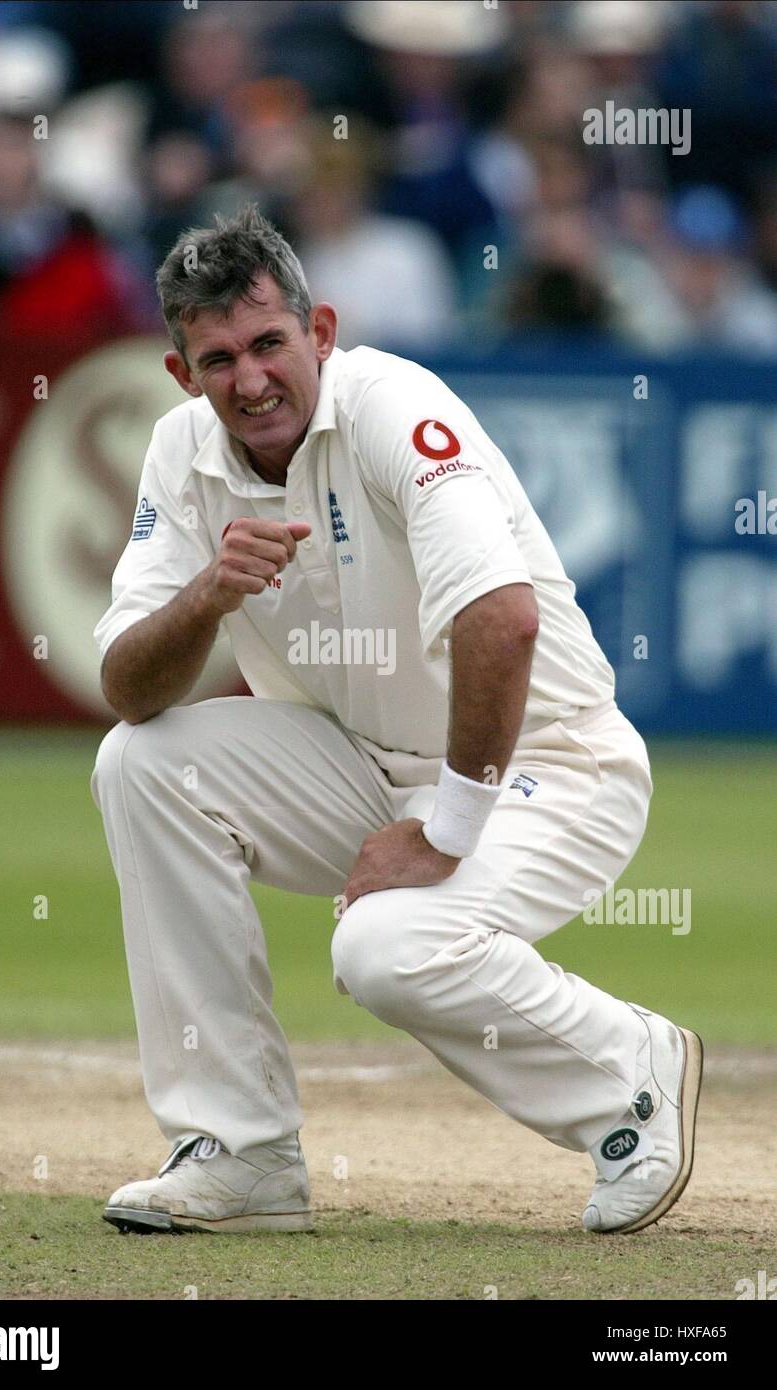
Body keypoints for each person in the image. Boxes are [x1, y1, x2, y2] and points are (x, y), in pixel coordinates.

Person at [90, 205, 702, 1236]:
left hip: (546, 764)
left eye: (270, 343)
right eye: (218, 358)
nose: (249, 380)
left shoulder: (394, 404)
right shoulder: (179, 452)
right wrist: (204, 595)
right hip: (363, 766)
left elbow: (500, 619)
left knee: (380, 949)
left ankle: (628, 1074)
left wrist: (446, 828)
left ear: (318, 330)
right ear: (179, 372)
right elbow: (128, 687)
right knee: (140, 763)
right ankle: (239, 1152)